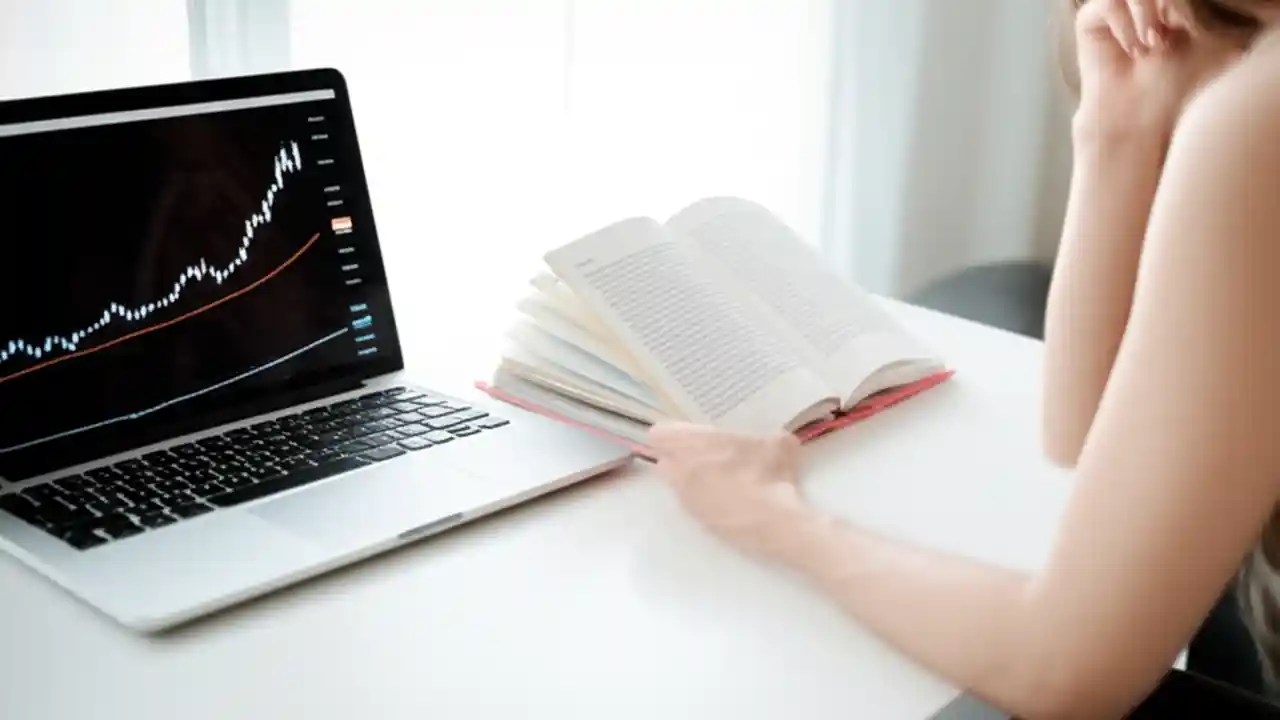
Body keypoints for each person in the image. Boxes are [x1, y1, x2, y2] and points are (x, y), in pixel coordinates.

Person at [649, 0, 1280, 717]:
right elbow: (1083, 432)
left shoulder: (1262, 110)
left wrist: (772, 516)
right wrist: (1116, 131)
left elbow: (1065, 668)